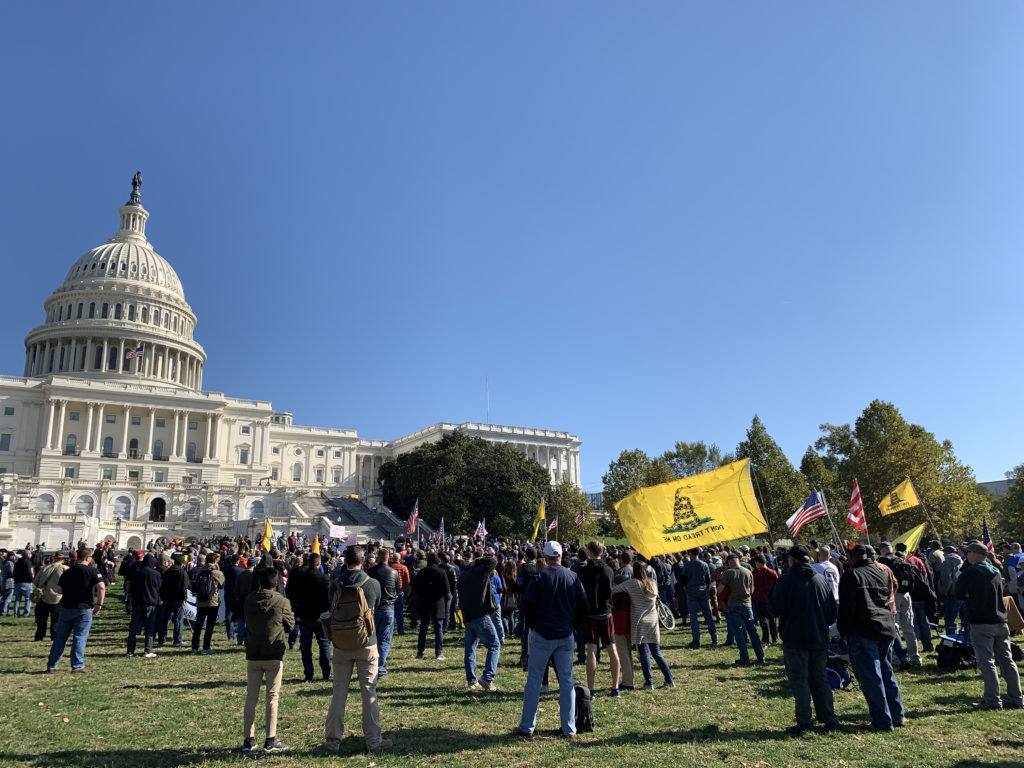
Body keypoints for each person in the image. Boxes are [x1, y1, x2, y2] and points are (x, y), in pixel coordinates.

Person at [515, 541, 588, 739]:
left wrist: (535, 625)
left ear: (545, 558)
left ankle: (527, 726)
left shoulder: (539, 577)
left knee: (534, 681)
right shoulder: (572, 576)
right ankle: (569, 729)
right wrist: (572, 625)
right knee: (566, 681)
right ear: (560, 556)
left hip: (543, 634)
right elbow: (583, 605)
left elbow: (527, 607)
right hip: (565, 634)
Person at [324, 545, 392, 754]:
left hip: (341, 643)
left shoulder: (335, 585)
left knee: (339, 694)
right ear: (363, 561)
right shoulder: (372, 584)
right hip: (366, 642)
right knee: (369, 692)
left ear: (345, 561)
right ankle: (373, 741)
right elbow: (377, 605)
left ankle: (332, 741)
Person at [767, 545, 839, 735]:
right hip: (818, 637)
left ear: (792, 560)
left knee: (800, 680)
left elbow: (773, 609)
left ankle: (805, 721)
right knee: (820, 678)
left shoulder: (785, 581)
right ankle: (829, 718)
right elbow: (832, 612)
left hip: (795, 638)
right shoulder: (820, 580)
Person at [837, 543, 906, 731]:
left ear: (853, 557)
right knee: (886, 672)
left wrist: (844, 632)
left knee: (871, 677)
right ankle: (897, 714)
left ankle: (882, 722)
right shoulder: (881, 571)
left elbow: (847, 607)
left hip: (864, 630)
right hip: (886, 626)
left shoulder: (852, 575)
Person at [955, 541, 1022, 710]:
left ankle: (992, 699)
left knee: (987, 662)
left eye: (968, 552)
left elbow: (958, 593)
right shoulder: (996, 571)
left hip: (981, 621)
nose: (967, 555)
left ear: (973, 554)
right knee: (1007, 660)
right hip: (1000, 619)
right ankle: (1017, 697)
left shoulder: (970, 573)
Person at [242, 568, 294, 753]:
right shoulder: (281, 601)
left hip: (254, 651)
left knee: (251, 696)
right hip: (273, 650)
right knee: (272, 696)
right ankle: (270, 740)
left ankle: (249, 739)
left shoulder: (249, 600)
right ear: (275, 584)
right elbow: (290, 624)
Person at [611, 560, 674, 690]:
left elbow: (614, 590)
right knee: (657, 652)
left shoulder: (631, 583)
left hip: (639, 621)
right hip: (653, 620)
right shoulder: (653, 583)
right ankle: (669, 679)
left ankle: (649, 682)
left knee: (644, 653)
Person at [46, 547, 106, 673]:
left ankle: (52, 665)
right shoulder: (92, 571)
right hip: (84, 608)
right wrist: (99, 604)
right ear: (88, 558)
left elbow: (60, 590)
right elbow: (101, 587)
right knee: (80, 637)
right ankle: (77, 665)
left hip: (66, 607)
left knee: (60, 637)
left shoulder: (67, 571)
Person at [578, 540, 621, 697]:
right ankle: (615, 687)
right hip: (605, 612)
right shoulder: (609, 570)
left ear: (589, 552)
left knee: (591, 649)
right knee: (611, 647)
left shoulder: (583, 571)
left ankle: (591, 688)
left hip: (590, 614)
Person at [457, 548, 501, 690]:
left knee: (470, 649)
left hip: (468, 615)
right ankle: (487, 678)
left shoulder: (463, 575)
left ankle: (472, 681)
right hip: (480, 614)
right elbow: (493, 561)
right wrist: (478, 561)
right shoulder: (479, 572)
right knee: (494, 645)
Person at [288, 552, 332, 683]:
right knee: (323, 644)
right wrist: (325, 613)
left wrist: (297, 612)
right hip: (319, 617)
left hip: (304, 616)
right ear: (318, 564)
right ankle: (326, 672)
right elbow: (328, 599)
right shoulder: (324, 578)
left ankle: (308, 673)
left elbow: (291, 594)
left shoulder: (300, 578)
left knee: (306, 646)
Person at [719, 552, 765, 666]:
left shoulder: (728, 573)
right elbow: (751, 590)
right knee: (753, 631)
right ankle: (761, 656)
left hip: (734, 604)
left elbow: (719, 590)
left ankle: (744, 658)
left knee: (739, 633)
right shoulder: (748, 572)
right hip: (747, 605)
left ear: (729, 562)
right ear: (738, 560)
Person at [367, 548, 399, 679]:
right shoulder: (393, 572)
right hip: (388, 608)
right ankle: (379, 667)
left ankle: (372, 665)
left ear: (378, 557)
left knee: (372, 638)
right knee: (384, 640)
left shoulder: (371, 571)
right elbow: (397, 589)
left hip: (374, 607)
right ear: (388, 558)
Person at [412, 552, 450, 661]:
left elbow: (416, 589)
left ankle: (420, 653)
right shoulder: (442, 572)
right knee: (438, 629)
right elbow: (447, 590)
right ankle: (438, 653)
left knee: (423, 628)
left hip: (425, 602)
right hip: (438, 602)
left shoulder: (422, 572)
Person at [126, 553, 161, 658]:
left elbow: (130, 586)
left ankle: (130, 651)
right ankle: (148, 650)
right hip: (150, 601)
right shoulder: (156, 574)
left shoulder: (136, 572)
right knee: (149, 627)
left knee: (133, 627)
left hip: (137, 601)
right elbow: (159, 587)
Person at [191, 551, 226, 654]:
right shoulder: (217, 573)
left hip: (200, 601)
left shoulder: (199, 571)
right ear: (215, 561)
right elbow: (222, 585)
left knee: (198, 625)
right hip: (212, 601)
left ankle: (194, 647)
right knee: (210, 625)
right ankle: (206, 647)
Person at [683, 549, 718, 648]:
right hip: (702, 591)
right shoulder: (704, 564)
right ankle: (714, 637)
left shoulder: (687, 565)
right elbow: (708, 579)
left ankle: (696, 639)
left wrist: (685, 587)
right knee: (708, 615)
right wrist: (706, 588)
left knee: (693, 617)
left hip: (691, 591)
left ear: (691, 554)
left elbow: (683, 579)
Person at [32, 552, 68, 641]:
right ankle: (54, 635)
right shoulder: (65, 569)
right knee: (56, 618)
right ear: (63, 560)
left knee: (42, 618)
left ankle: (39, 636)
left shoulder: (44, 568)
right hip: (58, 596)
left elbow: (36, 582)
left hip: (43, 596)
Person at [12, 549, 34, 618]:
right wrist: (32, 580)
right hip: (26, 582)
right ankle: (26, 613)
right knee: (28, 599)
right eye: (30, 554)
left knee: (17, 599)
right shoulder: (28, 562)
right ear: (28, 555)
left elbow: (14, 572)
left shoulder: (17, 562)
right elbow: (29, 572)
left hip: (17, 582)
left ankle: (16, 613)